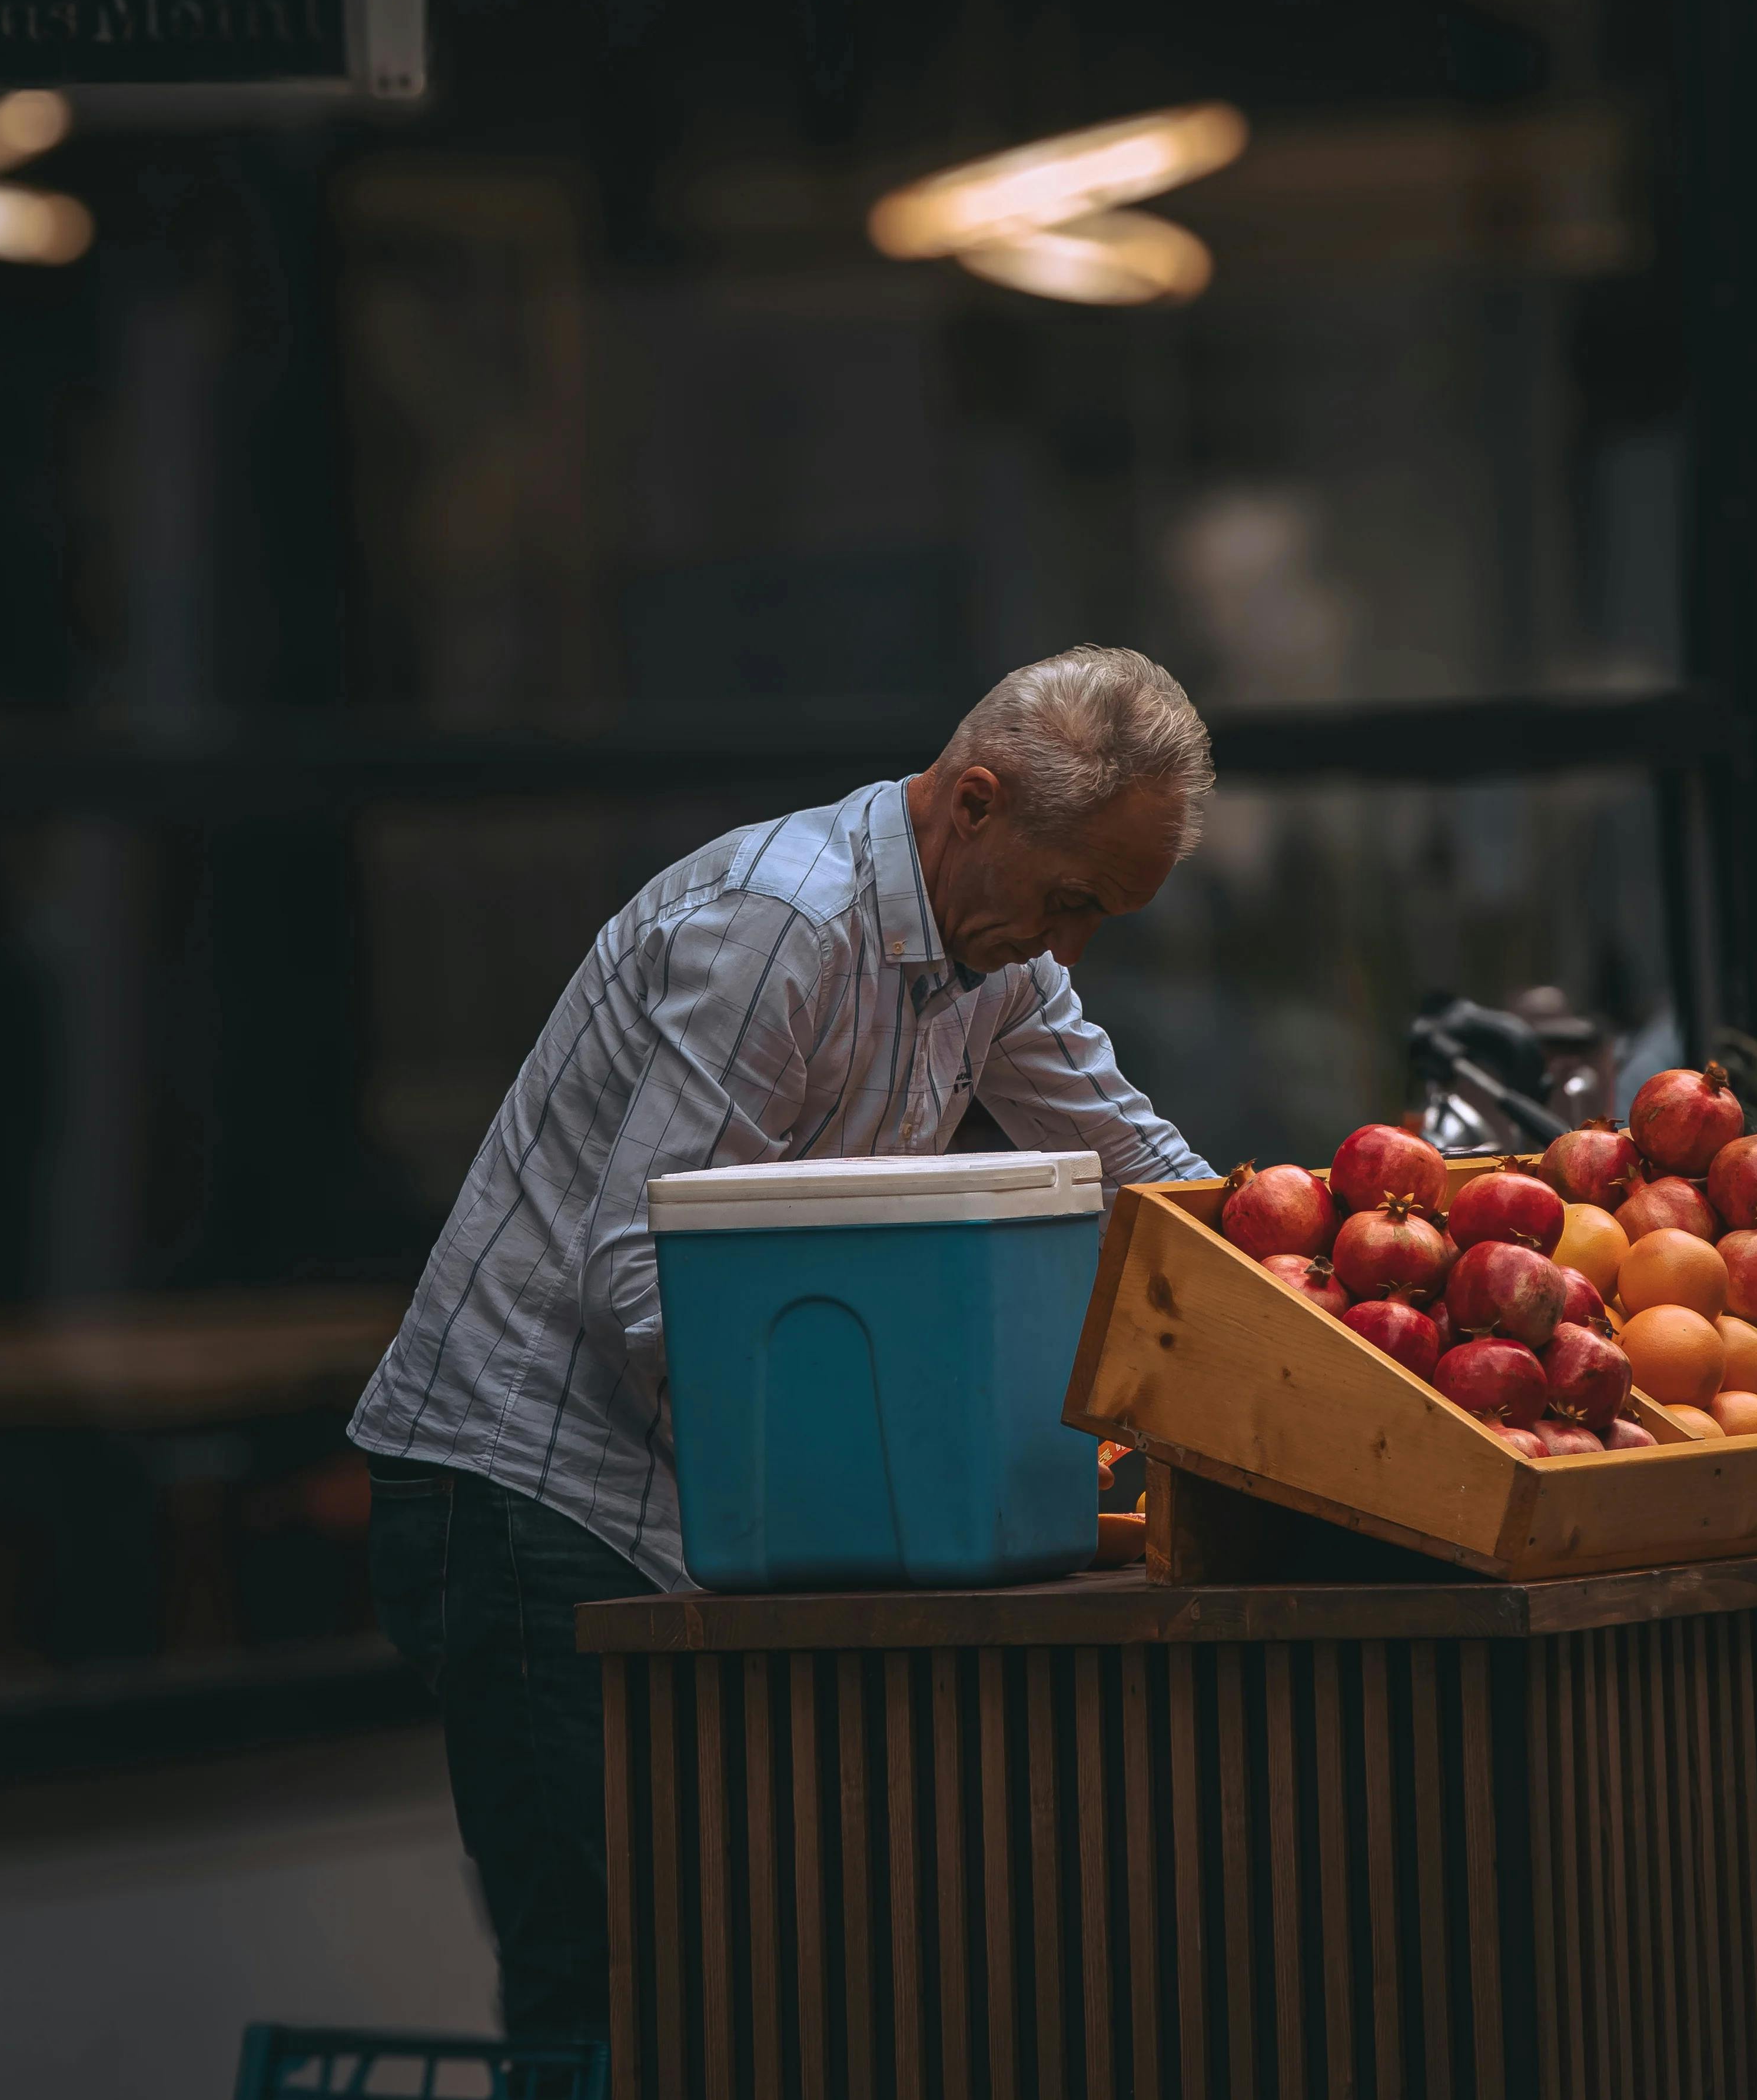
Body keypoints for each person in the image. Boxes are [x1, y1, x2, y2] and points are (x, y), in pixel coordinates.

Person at [350, 643, 1220, 2040]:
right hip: (534, 1489)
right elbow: (649, 1276)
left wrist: (1302, 1295)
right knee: (611, 1993)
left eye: (1102, 918)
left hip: (714, 1500)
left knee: (753, 1989)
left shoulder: (994, 953)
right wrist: (888, 1458)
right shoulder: (784, 926)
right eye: (1071, 902)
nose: (1071, 948)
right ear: (976, 802)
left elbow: (1142, 1172)